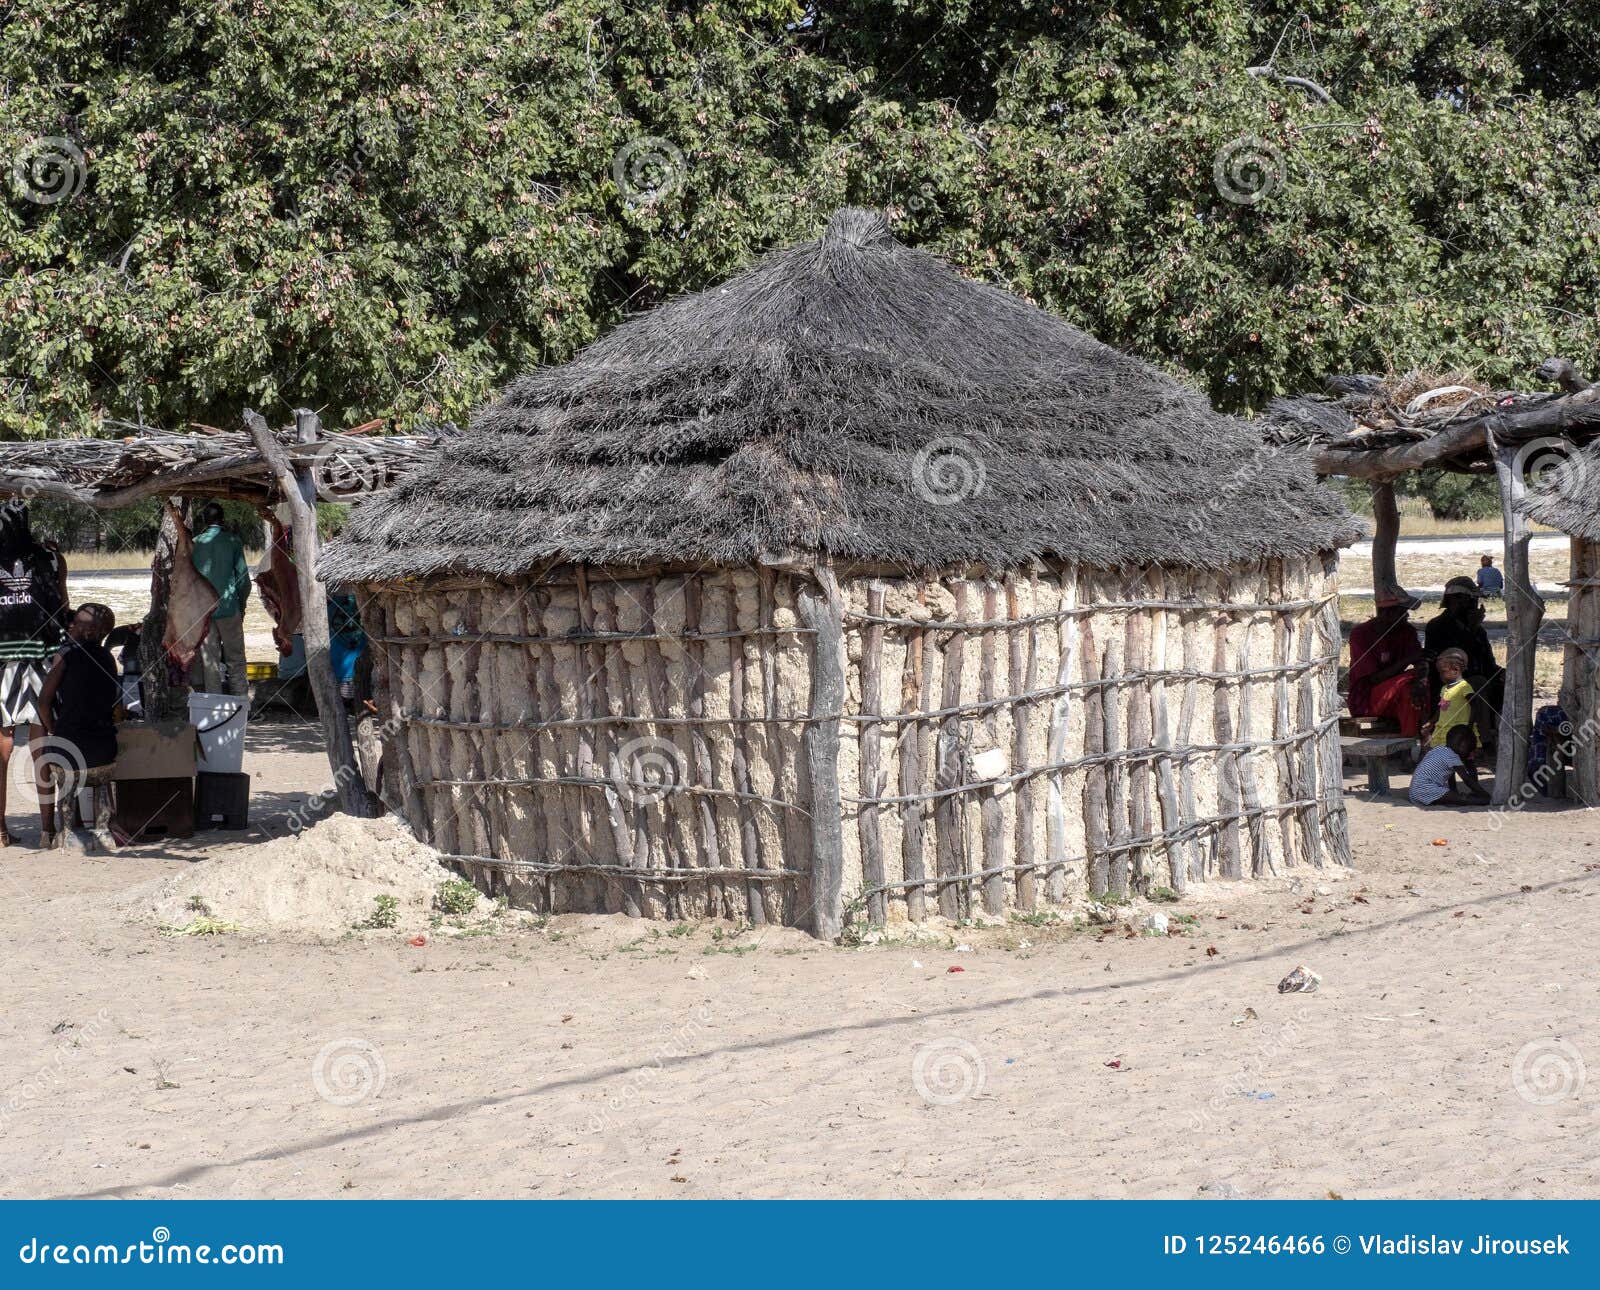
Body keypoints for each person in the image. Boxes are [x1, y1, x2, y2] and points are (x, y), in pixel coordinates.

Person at [0, 503, 69, 846]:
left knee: (2, 746)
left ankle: (0, 831)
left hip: (2, 664)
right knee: (43, 745)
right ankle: (47, 830)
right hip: (42, 661)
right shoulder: (50, 558)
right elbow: (63, 607)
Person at [36, 604, 120, 848]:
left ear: (90, 631)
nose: (70, 626)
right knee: (101, 778)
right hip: (104, 751)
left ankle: (66, 832)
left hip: (68, 751)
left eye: (77, 624)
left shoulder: (67, 656)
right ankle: (102, 832)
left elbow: (43, 701)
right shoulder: (108, 659)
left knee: (54, 758)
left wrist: (53, 728)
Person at [1424, 575, 1505, 750]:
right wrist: (1472, 629)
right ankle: (1486, 741)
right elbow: (1453, 662)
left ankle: (1512, 735)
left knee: (1509, 682)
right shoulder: (1437, 626)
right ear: (1454, 600)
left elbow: (1489, 663)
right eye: (1470, 600)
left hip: (1477, 677)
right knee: (1479, 684)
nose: (1475, 604)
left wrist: (1504, 674)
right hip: (1449, 682)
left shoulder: (1479, 631)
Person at [1346, 590, 1427, 736]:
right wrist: (1409, 662)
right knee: (1408, 685)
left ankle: (1419, 737)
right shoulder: (1361, 634)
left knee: (1417, 686)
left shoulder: (1407, 631)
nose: (1407, 616)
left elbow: (1420, 660)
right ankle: (1412, 738)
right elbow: (1374, 679)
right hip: (1367, 699)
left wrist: (1421, 678)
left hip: (1396, 693)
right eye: (1402, 612)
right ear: (1386, 614)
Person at [190, 503, 251, 696]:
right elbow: (243, 580)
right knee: (236, 659)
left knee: (210, 661)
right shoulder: (232, 541)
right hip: (228, 607)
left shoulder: (195, 542)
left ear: (204, 521)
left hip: (203, 611)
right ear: (222, 519)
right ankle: (241, 703)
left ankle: (214, 705)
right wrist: (240, 607)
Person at [1408, 725, 1490, 806]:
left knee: (1453, 796)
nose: (1470, 753)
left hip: (1415, 792)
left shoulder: (1439, 749)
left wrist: (1454, 792)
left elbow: (1450, 776)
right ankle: (1480, 801)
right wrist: (1483, 793)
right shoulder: (1453, 757)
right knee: (1461, 799)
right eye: (1469, 749)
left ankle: (1449, 799)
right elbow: (1467, 779)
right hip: (1426, 790)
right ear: (1462, 746)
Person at [1423, 648, 1475, 749]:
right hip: (1444, 727)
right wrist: (1432, 721)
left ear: (1456, 670)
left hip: (1459, 727)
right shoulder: (1444, 688)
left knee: (1459, 751)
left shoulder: (1464, 687)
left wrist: (1469, 725)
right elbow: (1442, 708)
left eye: (1442, 672)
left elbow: (1474, 706)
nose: (1440, 676)